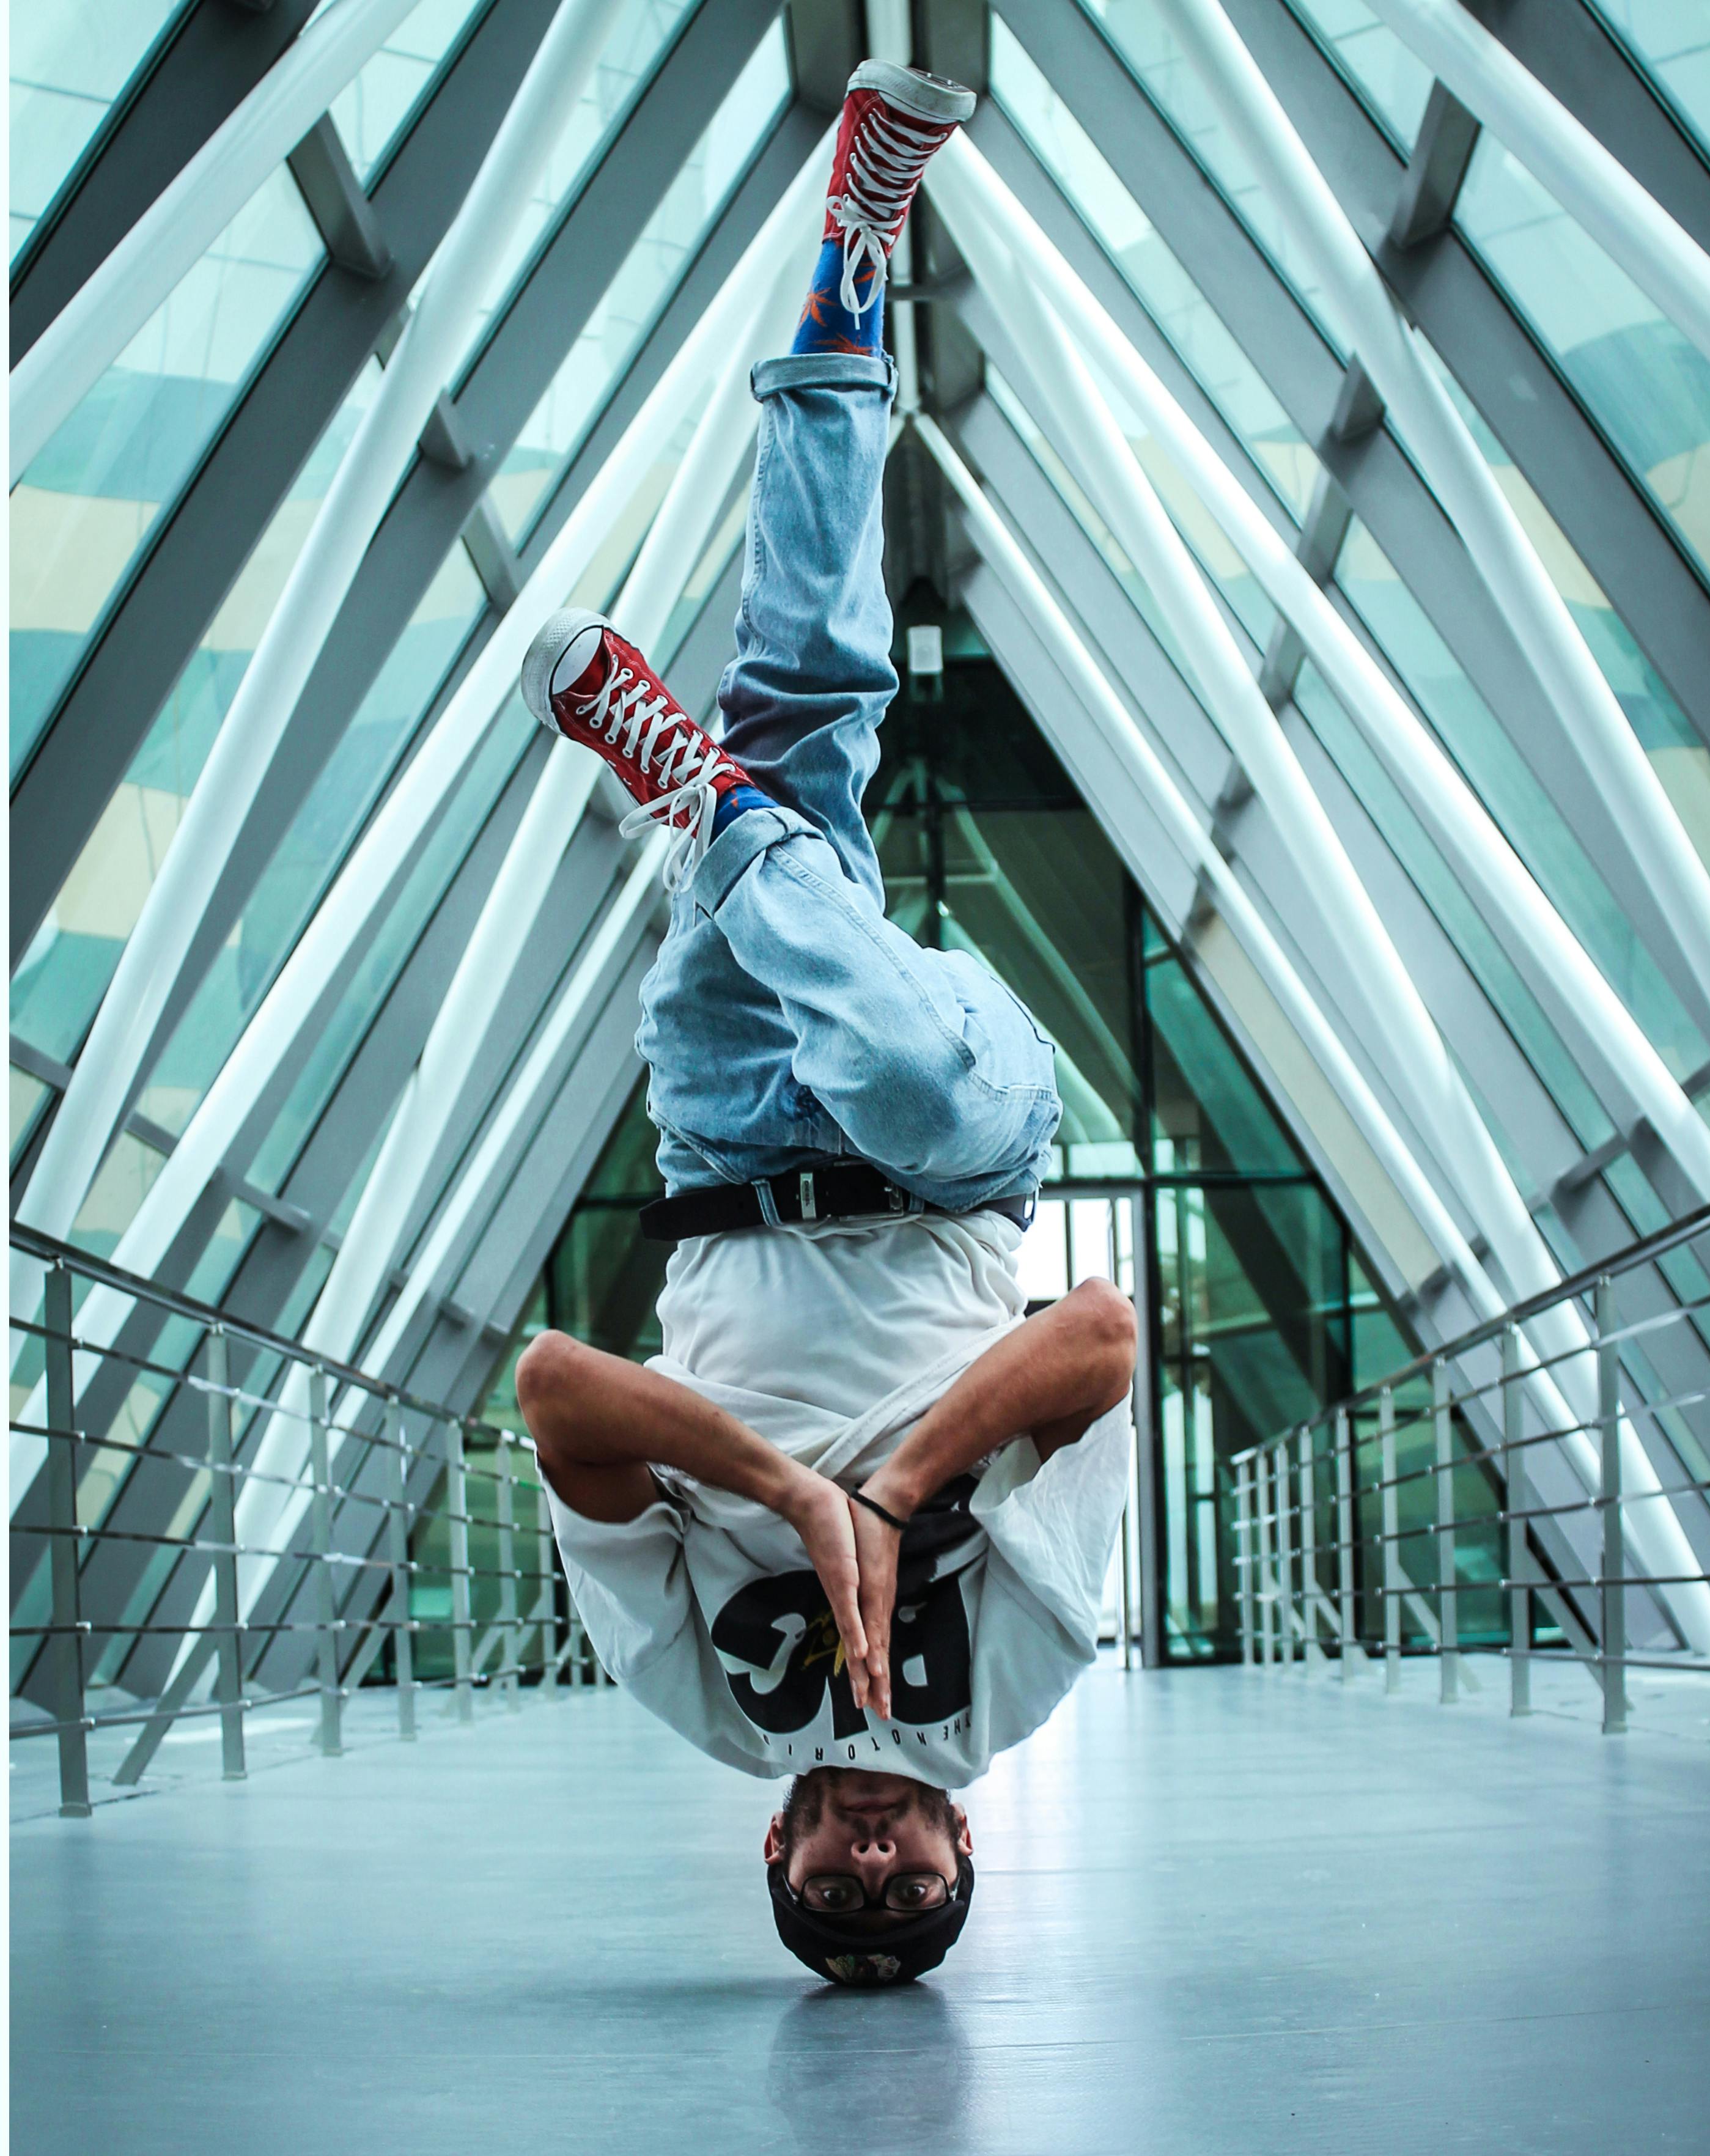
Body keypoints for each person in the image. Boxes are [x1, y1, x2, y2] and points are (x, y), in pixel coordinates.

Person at [514, 61, 1137, 1989]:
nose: (875, 1861)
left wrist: (790, 1489)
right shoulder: (1025, 1677)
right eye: (910, 1889)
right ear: (964, 1850)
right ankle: (704, 815)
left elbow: (556, 1388)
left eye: (834, 1886)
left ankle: (858, 239)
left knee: (813, 687)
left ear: (777, 1843)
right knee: (897, 1047)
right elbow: (1098, 1337)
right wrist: (904, 1482)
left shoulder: (707, 1702)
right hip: (948, 1155)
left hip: (722, 1146)